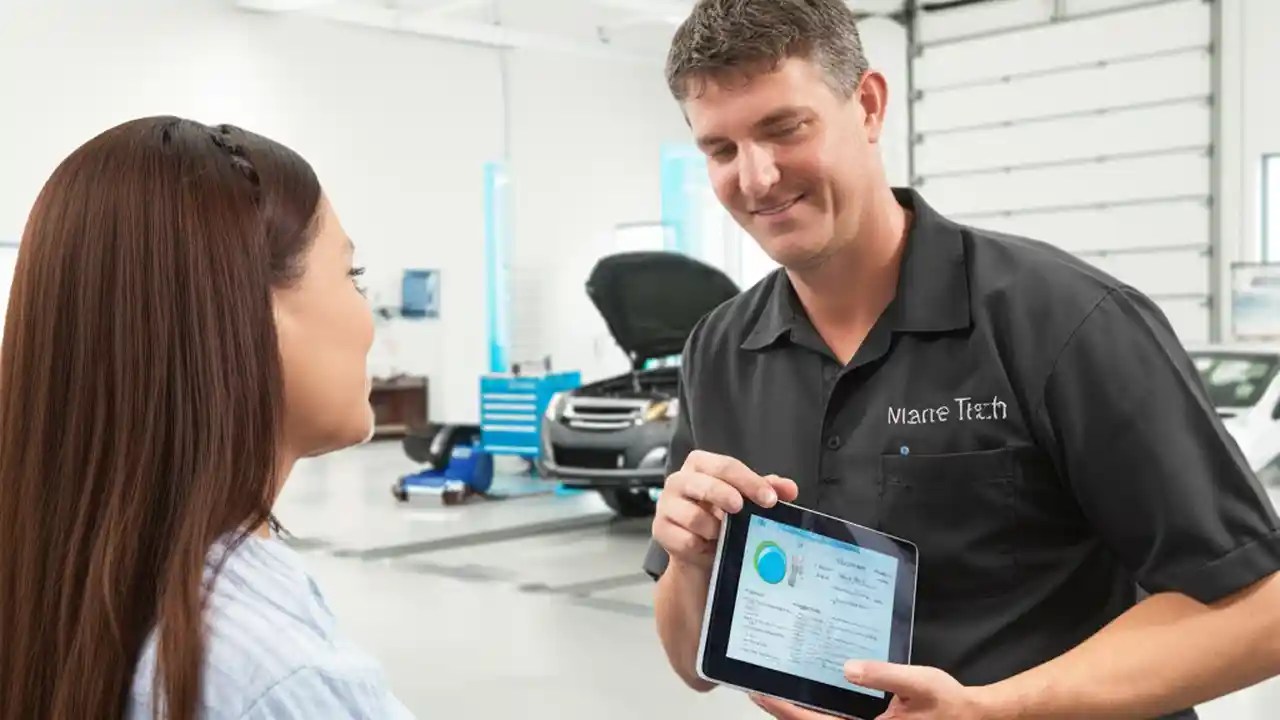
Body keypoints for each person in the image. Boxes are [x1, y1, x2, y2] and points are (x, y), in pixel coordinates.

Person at [643, 1, 1280, 718]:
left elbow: (1261, 610)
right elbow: (692, 665)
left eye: (784, 129)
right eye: (721, 150)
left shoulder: (1062, 320)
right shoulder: (720, 351)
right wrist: (692, 560)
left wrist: (995, 710)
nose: (757, 177)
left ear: (869, 106)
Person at [0, 116, 415, 720]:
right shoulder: (273, 678)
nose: (368, 319)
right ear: (255, 313)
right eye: (351, 276)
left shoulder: (55, 597)